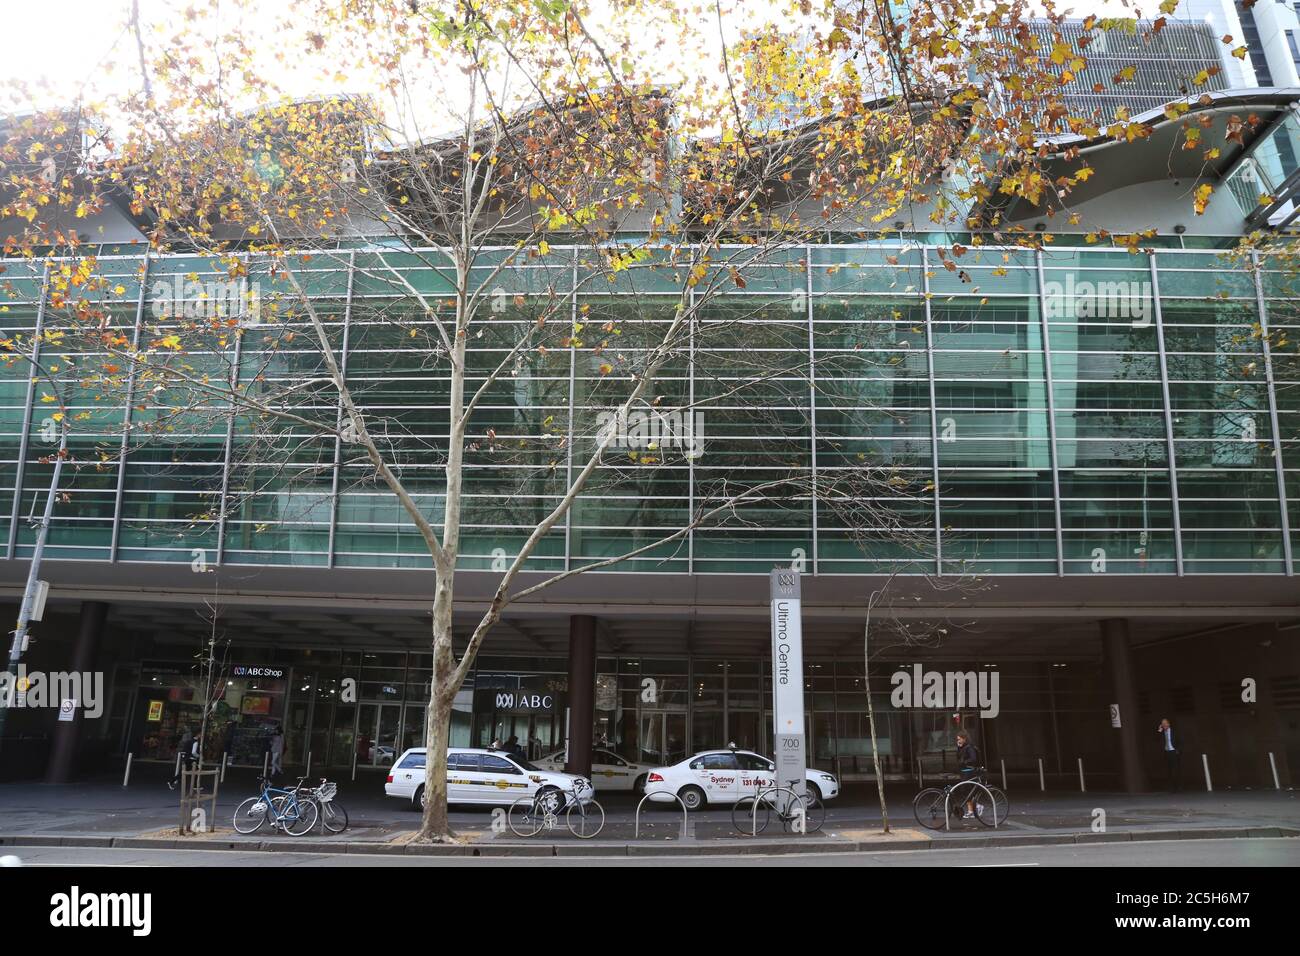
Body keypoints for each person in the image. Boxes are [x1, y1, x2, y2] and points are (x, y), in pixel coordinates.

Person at [955, 731, 982, 819]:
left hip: (969, 771)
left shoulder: (969, 747)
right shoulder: (962, 747)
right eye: (957, 739)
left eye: (959, 739)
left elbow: (973, 759)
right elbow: (958, 757)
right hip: (964, 771)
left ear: (964, 738)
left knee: (965, 789)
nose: (958, 741)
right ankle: (971, 811)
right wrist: (959, 748)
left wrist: (964, 762)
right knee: (966, 790)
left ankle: (977, 806)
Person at [167, 726, 198, 791]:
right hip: (191, 759)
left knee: (184, 772)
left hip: (186, 758)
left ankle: (172, 781)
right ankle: (194, 786)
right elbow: (194, 752)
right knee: (194, 771)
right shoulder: (195, 742)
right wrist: (199, 756)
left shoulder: (189, 741)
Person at [1157, 717, 1181, 792]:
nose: (1164, 725)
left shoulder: (1174, 731)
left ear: (1168, 724)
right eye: (1162, 723)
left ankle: (1178, 786)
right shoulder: (1162, 733)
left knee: (1175, 770)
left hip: (1174, 751)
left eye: (1165, 723)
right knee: (1169, 770)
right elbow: (1156, 740)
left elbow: (1179, 741)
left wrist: (1178, 750)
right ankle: (1172, 787)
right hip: (1166, 752)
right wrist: (1159, 731)